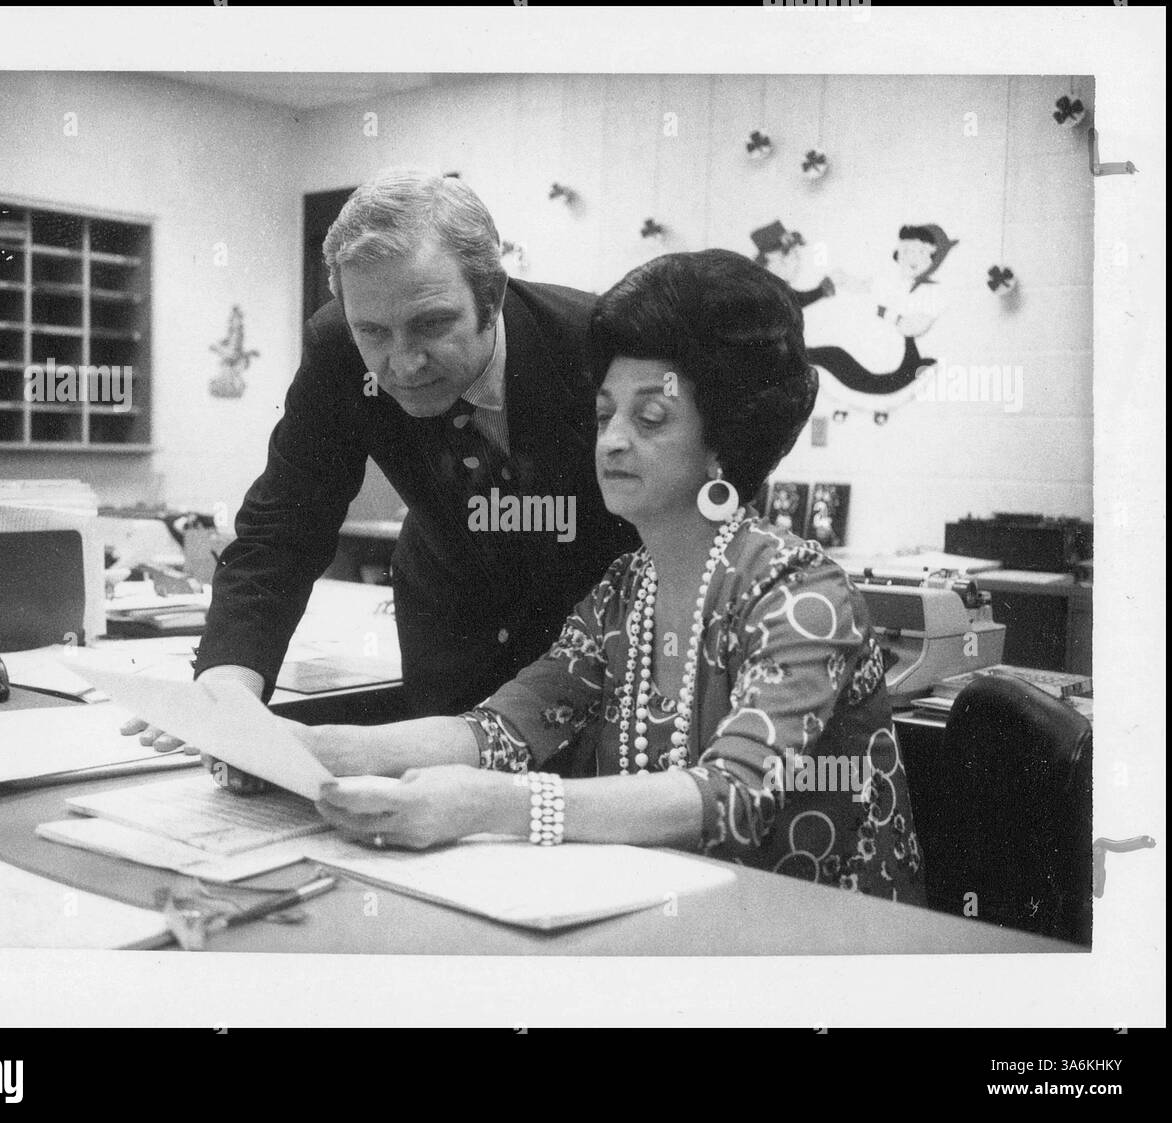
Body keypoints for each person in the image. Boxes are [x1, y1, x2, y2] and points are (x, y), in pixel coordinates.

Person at [290, 249, 926, 905]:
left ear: (724, 441)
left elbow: (735, 793)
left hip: (820, 934)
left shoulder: (798, 593)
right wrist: (317, 748)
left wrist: (494, 804)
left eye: (650, 418)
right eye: (603, 415)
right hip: (673, 915)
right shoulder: (626, 589)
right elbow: (502, 729)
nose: (613, 440)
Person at [126, 169, 637, 752]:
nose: (403, 362)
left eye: (432, 324)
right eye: (373, 331)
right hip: (451, 631)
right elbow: (285, 522)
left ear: (491, 295)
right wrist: (226, 683)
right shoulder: (339, 348)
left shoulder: (596, 345)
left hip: (593, 638)